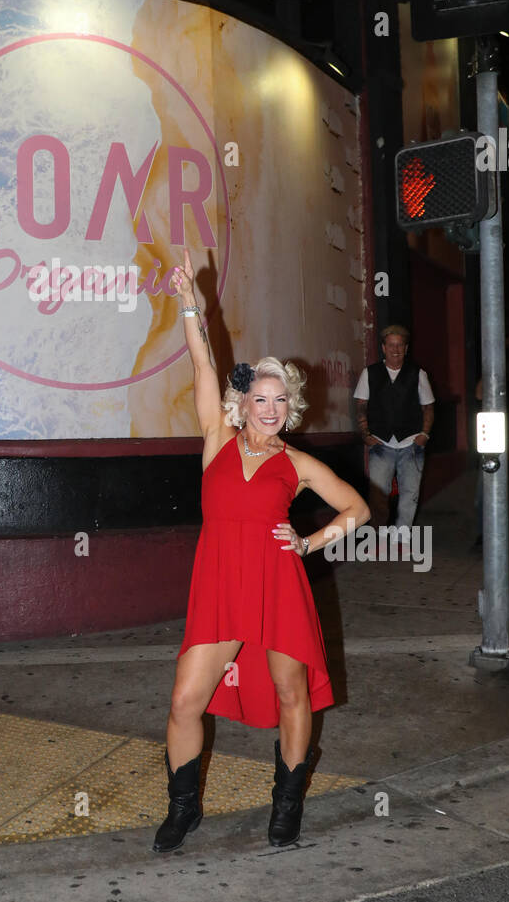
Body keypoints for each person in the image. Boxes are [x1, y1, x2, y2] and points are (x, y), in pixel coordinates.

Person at [153, 250, 370, 853]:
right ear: (244, 402)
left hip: (277, 583)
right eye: (262, 399)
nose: (272, 410)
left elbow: (358, 508)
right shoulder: (216, 440)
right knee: (183, 701)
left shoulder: (296, 463)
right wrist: (192, 303)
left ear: (289, 408)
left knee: (292, 693)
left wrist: (309, 542)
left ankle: (286, 803)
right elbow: (202, 359)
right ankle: (183, 806)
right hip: (220, 587)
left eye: (282, 402)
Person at [353, 325, 434, 529]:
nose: (395, 349)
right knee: (378, 495)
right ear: (383, 347)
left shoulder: (418, 373)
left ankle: (403, 536)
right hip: (381, 443)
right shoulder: (369, 373)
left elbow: (428, 407)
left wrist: (424, 434)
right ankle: (378, 535)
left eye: (400, 345)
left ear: (406, 348)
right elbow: (361, 406)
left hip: (411, 444)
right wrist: (366, 435)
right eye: (391, 345)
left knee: (410, 494)